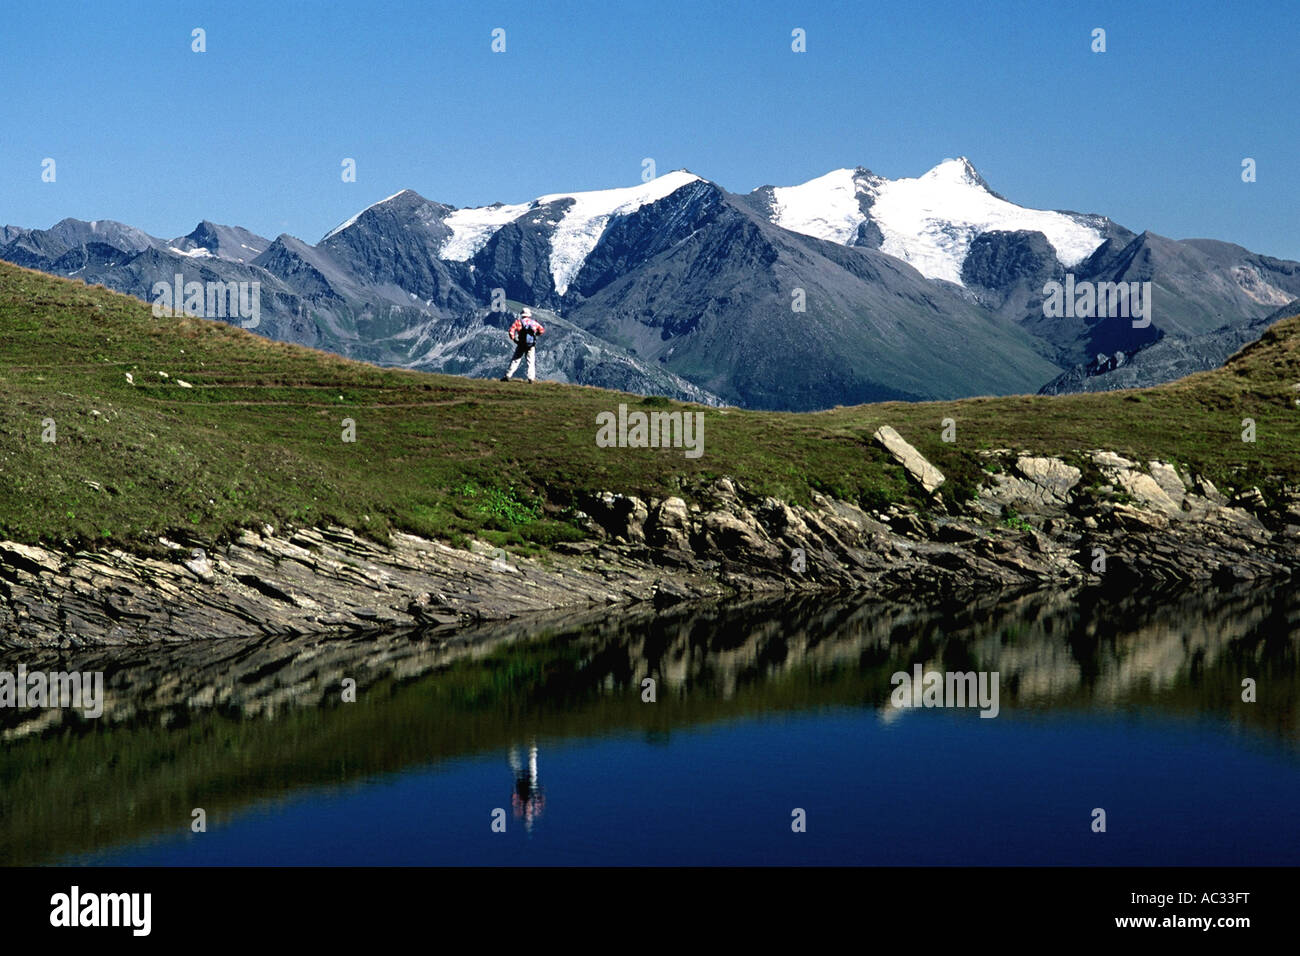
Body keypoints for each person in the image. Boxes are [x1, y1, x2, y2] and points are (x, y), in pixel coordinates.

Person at [501, 307, 545, 383]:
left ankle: (507, 376)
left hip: (521, 344)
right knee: (531, 362)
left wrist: (514, 339)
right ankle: (531, 379)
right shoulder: (534, 322)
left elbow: (511, 331)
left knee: (515, 360)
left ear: (522, 315)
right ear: (529, 315)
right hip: (531, 345)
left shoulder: (518, 322)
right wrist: (536, 334)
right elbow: (542, 330)